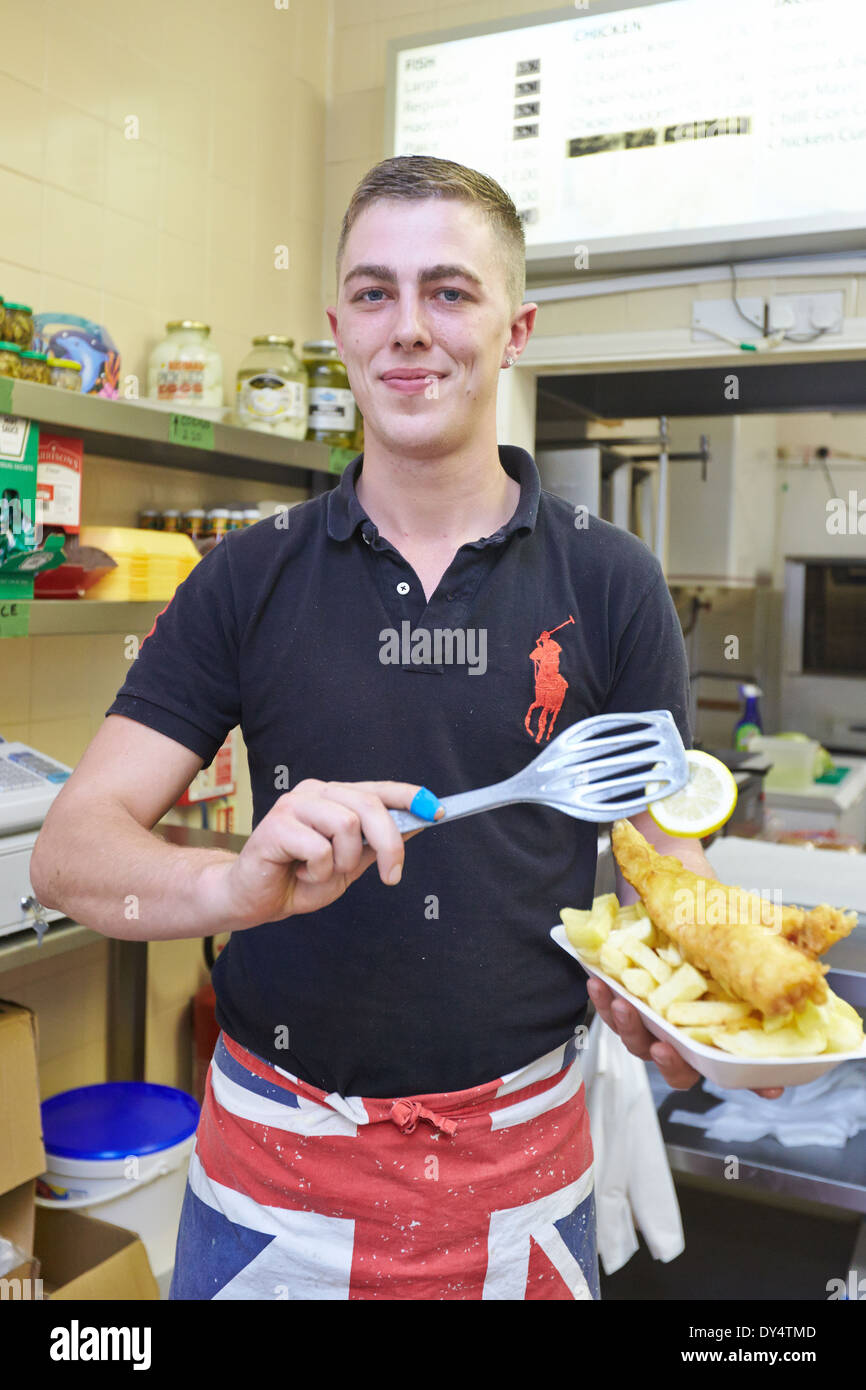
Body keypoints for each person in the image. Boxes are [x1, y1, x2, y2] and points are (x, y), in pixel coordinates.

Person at [30, 155, 776, 1302]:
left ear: (514, 324)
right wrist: (232, 886)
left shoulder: (611, 578)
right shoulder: (247, 576)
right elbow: (72, 852)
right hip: (268, 1168)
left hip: (524, 1162)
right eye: (374, 293)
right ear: (338, 326)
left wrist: (713, 1006)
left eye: (450, 291)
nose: (408, 329)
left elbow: (661, 871)